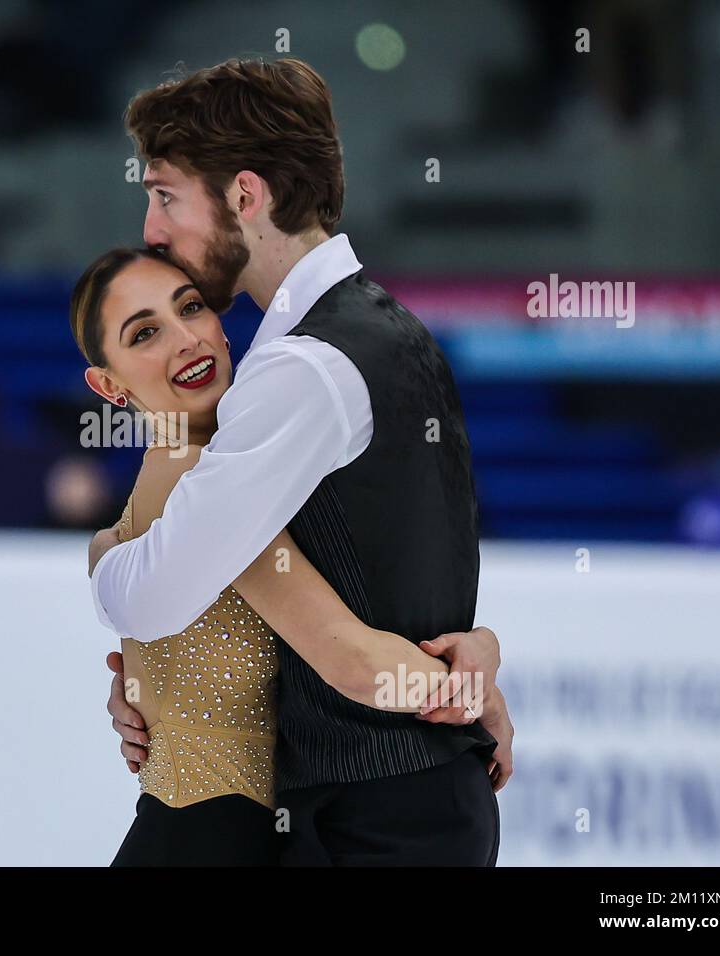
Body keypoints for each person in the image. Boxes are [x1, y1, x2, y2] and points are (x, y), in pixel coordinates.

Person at [88, 59, 513, 865]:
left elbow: (153, 595)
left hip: (375, 824)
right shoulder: (383, 330)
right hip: (394, 812)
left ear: (245, 197)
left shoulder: (301, 372)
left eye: (165, 194)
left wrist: (105, 554)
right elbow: (396, 574)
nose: (152, 229)